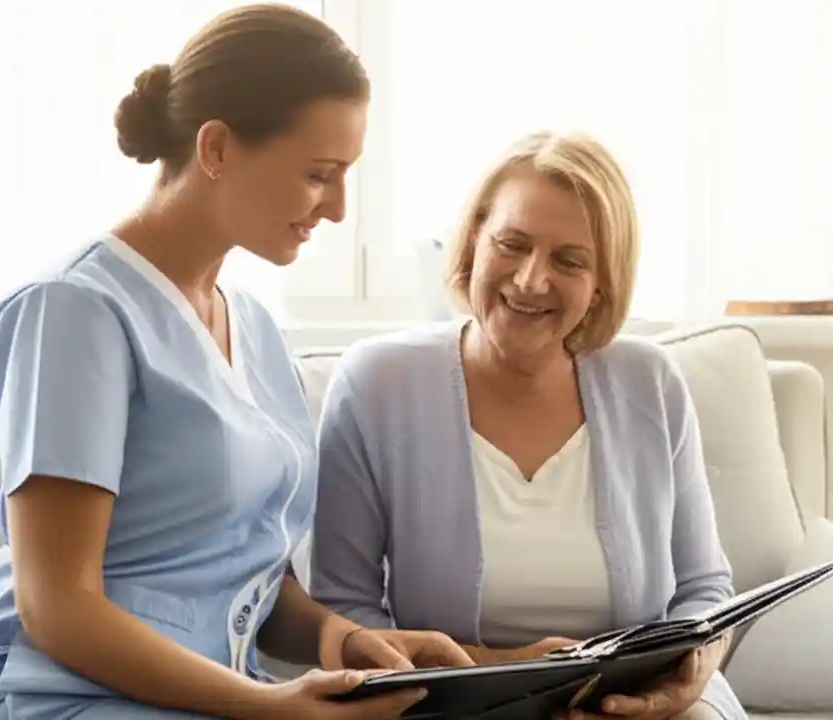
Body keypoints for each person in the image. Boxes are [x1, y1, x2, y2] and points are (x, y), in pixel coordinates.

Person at [0, 5, 473, 720]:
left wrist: (344, 638)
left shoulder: (253, 327)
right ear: (215, 148)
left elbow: (241, 582)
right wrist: (268, 707)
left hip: (208, 695)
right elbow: (56, 605)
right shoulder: (75, 310)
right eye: (319, 174)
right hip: (51, 696)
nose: (337, 209)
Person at [308, 131, 749, 720]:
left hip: (637, 706)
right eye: (512, 245)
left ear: (602, 282)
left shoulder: (651, 383)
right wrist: (497, 666)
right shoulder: (377, 384)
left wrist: (683, 679)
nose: (531, 280)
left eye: (570, 261)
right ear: (474, 240)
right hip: (454, 706)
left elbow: (705, 590)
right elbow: (344, 608)